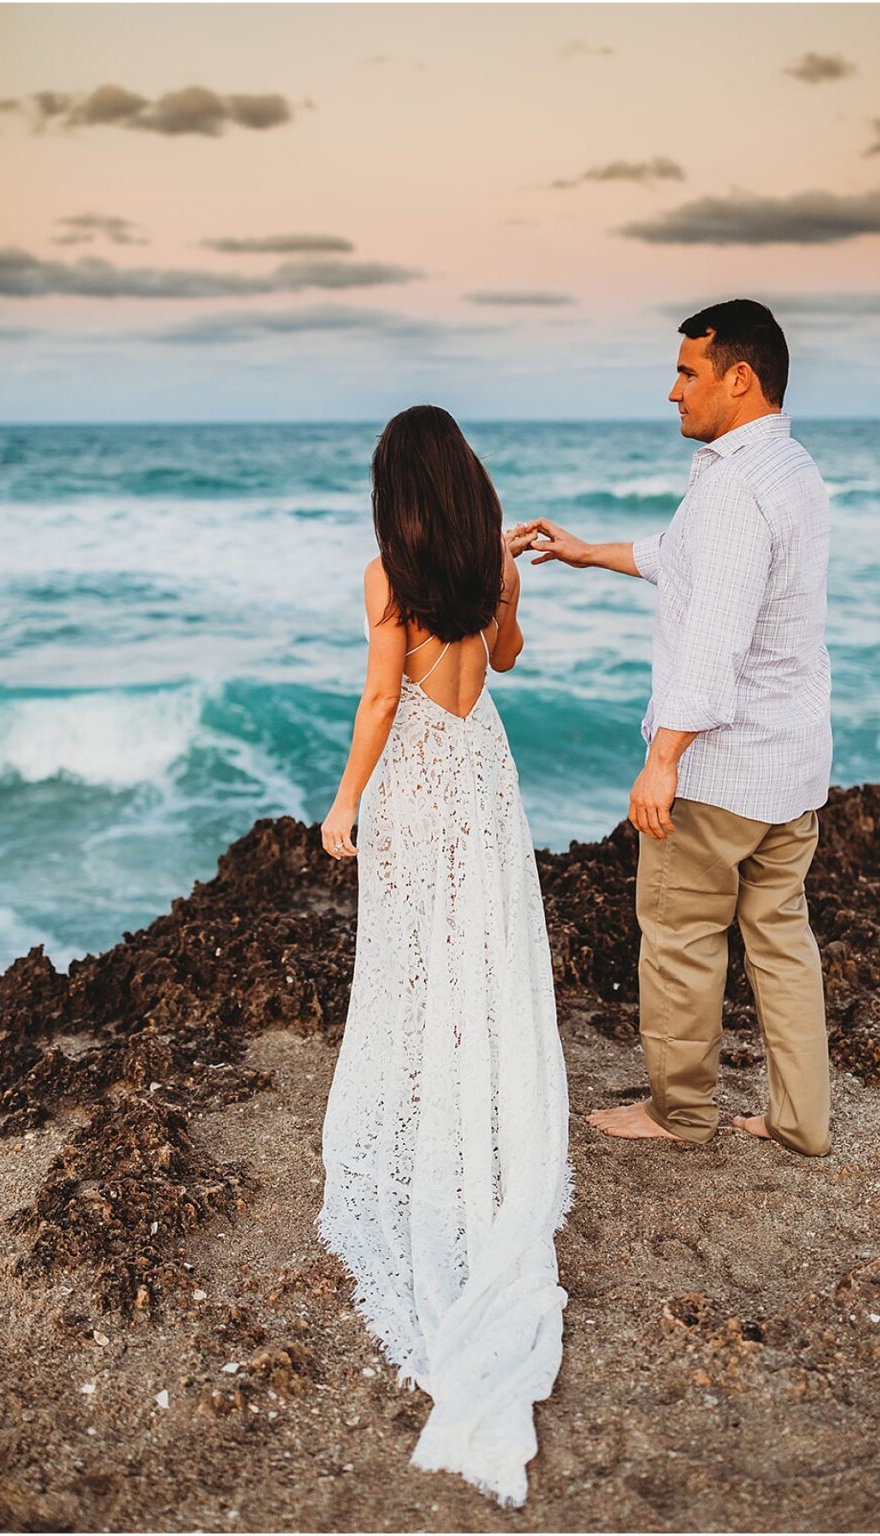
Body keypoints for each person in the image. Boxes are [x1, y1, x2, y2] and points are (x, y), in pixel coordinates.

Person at [316, 405, 573, 1508]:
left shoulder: (390, 573)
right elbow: (500, 663)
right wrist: (510, 575)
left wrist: (343, 803)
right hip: (483, 773)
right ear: (464, 485)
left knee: (414, 963)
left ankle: (428, 1133)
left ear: (395, 490)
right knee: (479, 959)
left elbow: (383, 696)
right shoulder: (483, 559)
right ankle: (482, 1122)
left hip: (420, 782)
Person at [518, 298, 833, 1157]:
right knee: (781, 942)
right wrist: (590, 552)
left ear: (739, 377)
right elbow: (687, 561)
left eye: (687, 373)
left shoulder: (733, 486)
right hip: (792, 765)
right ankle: (801, 1120)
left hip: (719, 776)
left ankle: (680, 1113)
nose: (671, 392)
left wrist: (663, 762)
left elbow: (711, 644)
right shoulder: (789, 468)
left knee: (681, 941)